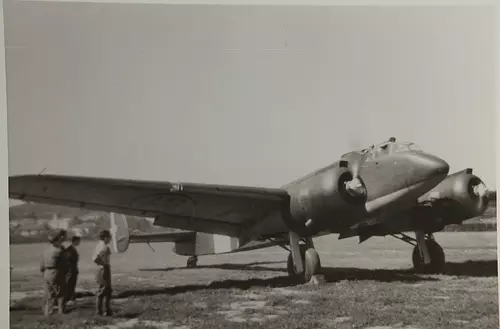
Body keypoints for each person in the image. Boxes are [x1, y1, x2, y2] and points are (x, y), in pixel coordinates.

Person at [40, 229, 67, 316]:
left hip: (46, 272)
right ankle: (61, 312)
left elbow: (42, 265)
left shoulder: (46, 251)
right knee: (60, 293)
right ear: (56, 241)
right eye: (59, 240)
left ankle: (48, 312)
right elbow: (65, 264)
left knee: (49, 294)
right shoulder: (59, 251)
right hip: (56, 272)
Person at [92, 230, 113, 316]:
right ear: (106, 238)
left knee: (105, 290)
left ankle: (104, 310)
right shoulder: (105, 247)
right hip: (104, 269)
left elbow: (94, 258)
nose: (110, 239)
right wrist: (103, 264)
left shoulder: (98, 246)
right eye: (109, 238)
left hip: (100, 268)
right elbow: (96, 258)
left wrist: (100, 263)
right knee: (104, 290)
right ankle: (102, 311)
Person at [64, 236, 81, 304]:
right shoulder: (69, 249)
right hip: (70, 270)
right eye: (78, 241)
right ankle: (68, 298)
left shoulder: (72, 249)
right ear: (75, 241)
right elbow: (67, 261)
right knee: (69, 284)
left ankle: (72, 298)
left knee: (72, 284)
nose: (79, 242)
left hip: (73, 270)